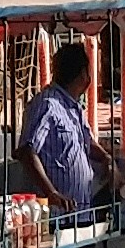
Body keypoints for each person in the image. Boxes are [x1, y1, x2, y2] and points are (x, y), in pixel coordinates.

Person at [18, 38, 108, 211]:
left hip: (78, 214)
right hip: (56, 216)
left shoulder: (73, 108)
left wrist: (106, 158)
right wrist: (51, 193)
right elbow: (27, 151)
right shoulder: (47, 105)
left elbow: (87, 141)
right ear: (84, 75)